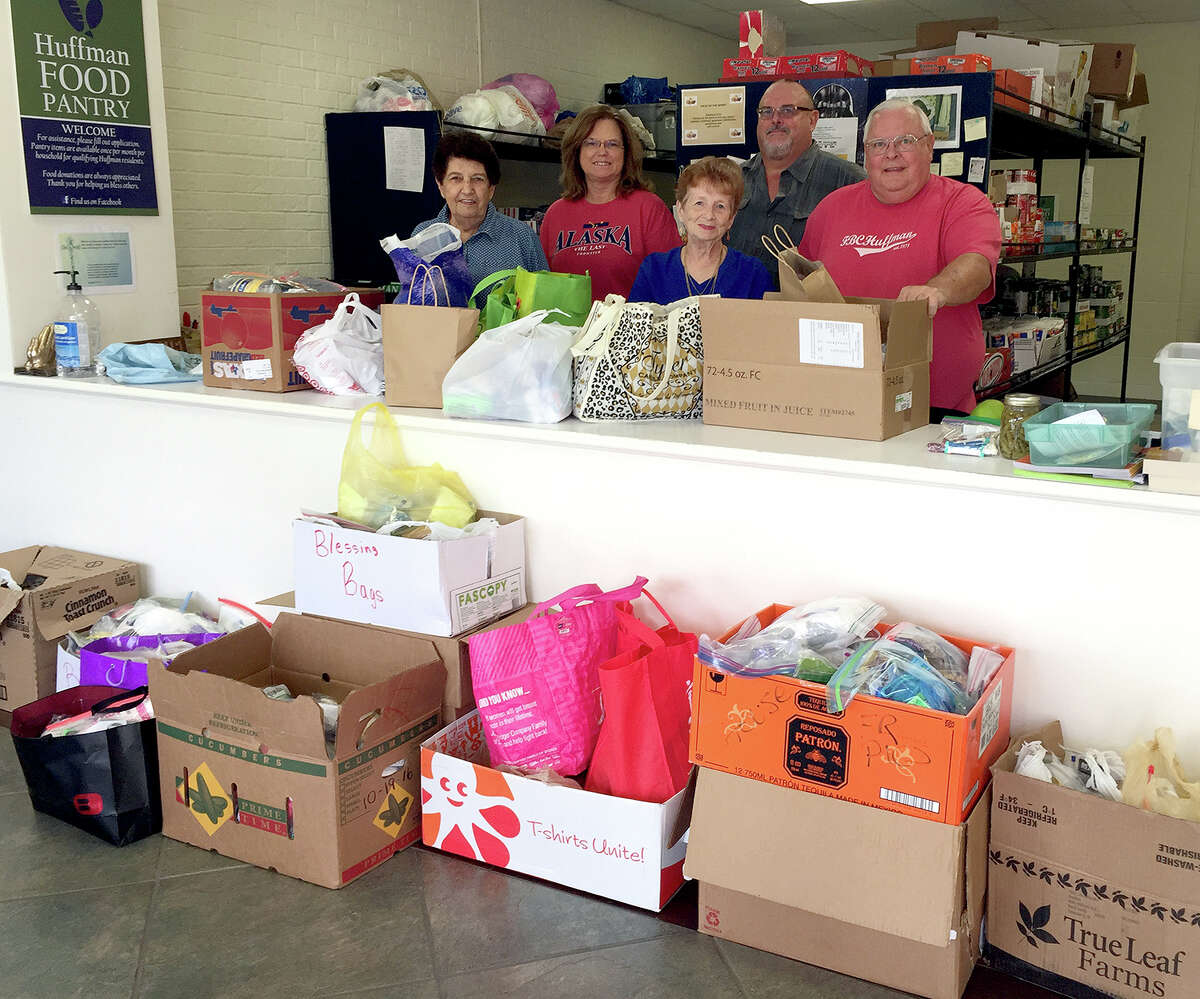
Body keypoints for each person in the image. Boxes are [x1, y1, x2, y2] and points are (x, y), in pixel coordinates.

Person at [798, 98, 1001, 416]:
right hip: (840, 403)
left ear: (929, 146)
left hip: (935, 408)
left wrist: (938, 290)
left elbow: (976, 264)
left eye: (905, 141)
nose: (890, 154)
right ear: (866, 155)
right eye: (879, 144)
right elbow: (802, 282)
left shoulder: (962, 202)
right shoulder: (831, 209)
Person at [727, 80, 865, 280]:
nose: (775, 119)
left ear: (812, 120)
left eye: (787, 111)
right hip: (731, 306)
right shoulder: (732, 180)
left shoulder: (850, 183)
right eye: (766, 111)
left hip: (809, 309)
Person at [539, 106, 681, 300]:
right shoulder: (556, 214)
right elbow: (544, 289)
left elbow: (672, 284)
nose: (602, 152)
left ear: (627, 152)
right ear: (576, 150)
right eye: (591, 143)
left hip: (631, 328)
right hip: (567, 330)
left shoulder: (648, 208)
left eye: (612, 144)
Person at [412, 131, 546, 296]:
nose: (467, 190)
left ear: (491, 189)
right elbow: (410, 304)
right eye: (456, 178)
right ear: (441, 186)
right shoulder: (422, 236)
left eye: (478, 179)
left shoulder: (522, 237)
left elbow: (544, 304)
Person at [629, 156, 771, 305]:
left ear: (731, 218)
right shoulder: (653, 269)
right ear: (681, 210)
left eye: (720, 206)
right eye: (699, 203)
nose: (709, 215)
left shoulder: (753, 273)